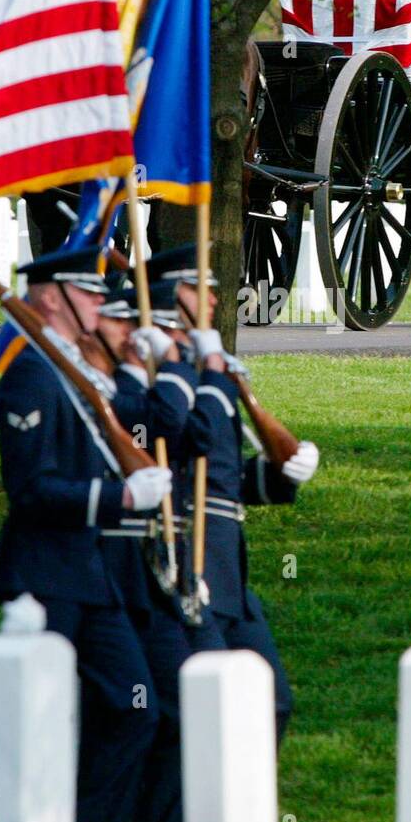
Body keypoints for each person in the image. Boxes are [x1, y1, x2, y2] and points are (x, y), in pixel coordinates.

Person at [0, 247, 173, 822]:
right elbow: (32, 490)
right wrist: (119, 497)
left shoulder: (78, 373)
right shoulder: (31, 376)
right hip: (45, 576)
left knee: (131, 706)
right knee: (40, 718)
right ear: (50, 297)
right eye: (87, 291)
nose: (99, 300)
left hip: (90, 576)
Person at [146, 244, 318, 742]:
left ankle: (244, 816)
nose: (215, 302)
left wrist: (278, 475)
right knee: (211, 714)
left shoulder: (204, 367)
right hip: (187, 560)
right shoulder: (162, 371)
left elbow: (222, 477)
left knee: (273, 703)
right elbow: (180, 445)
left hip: (228, 568)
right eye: (201, 290)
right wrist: (216, 381)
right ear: (171, 296)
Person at [95, 282, 201, 822]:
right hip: (111, 573)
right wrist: (179, 369)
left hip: (157, 569)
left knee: (174, 709)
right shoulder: (109, 383)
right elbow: (158, 423)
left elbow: (198, 435)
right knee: (130, 713)